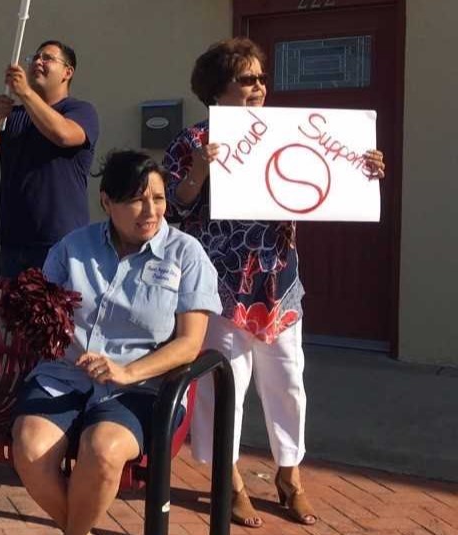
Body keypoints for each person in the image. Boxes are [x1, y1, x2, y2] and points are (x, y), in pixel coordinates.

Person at [163, 37, 387, 527]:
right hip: (220, 287)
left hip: (279, 283)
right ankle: (232, 479)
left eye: (262, 77)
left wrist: (362, 169)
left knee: (288, 382)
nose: (260, 86)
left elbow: (329, 183)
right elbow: (175, 207)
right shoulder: (190, 141)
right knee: (226, 388)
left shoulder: (290, 131)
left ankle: (290, 476)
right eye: (247, 78)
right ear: (218, 88)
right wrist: (200, 170)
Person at [11, 150, 220, 535]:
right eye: (136, 199)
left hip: (142, 387)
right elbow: (41, 308)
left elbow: (190, 344)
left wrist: (127, 371)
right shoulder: (74, 246)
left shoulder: (185, 254)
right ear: (107, 201)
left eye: (157, 199)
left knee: (102, 451)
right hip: (66, 375)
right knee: (29, 448)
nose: (150, 211)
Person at [0, 40, 100, 279]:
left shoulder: (80, 110)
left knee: (56, 313)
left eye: (48, 58)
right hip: (14, 239)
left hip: (60, 239)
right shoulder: (16, 114)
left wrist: (26, 93)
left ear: (67, 72)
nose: (38, 62)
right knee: (15, 313)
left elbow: (63, 135)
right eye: (35, 58)